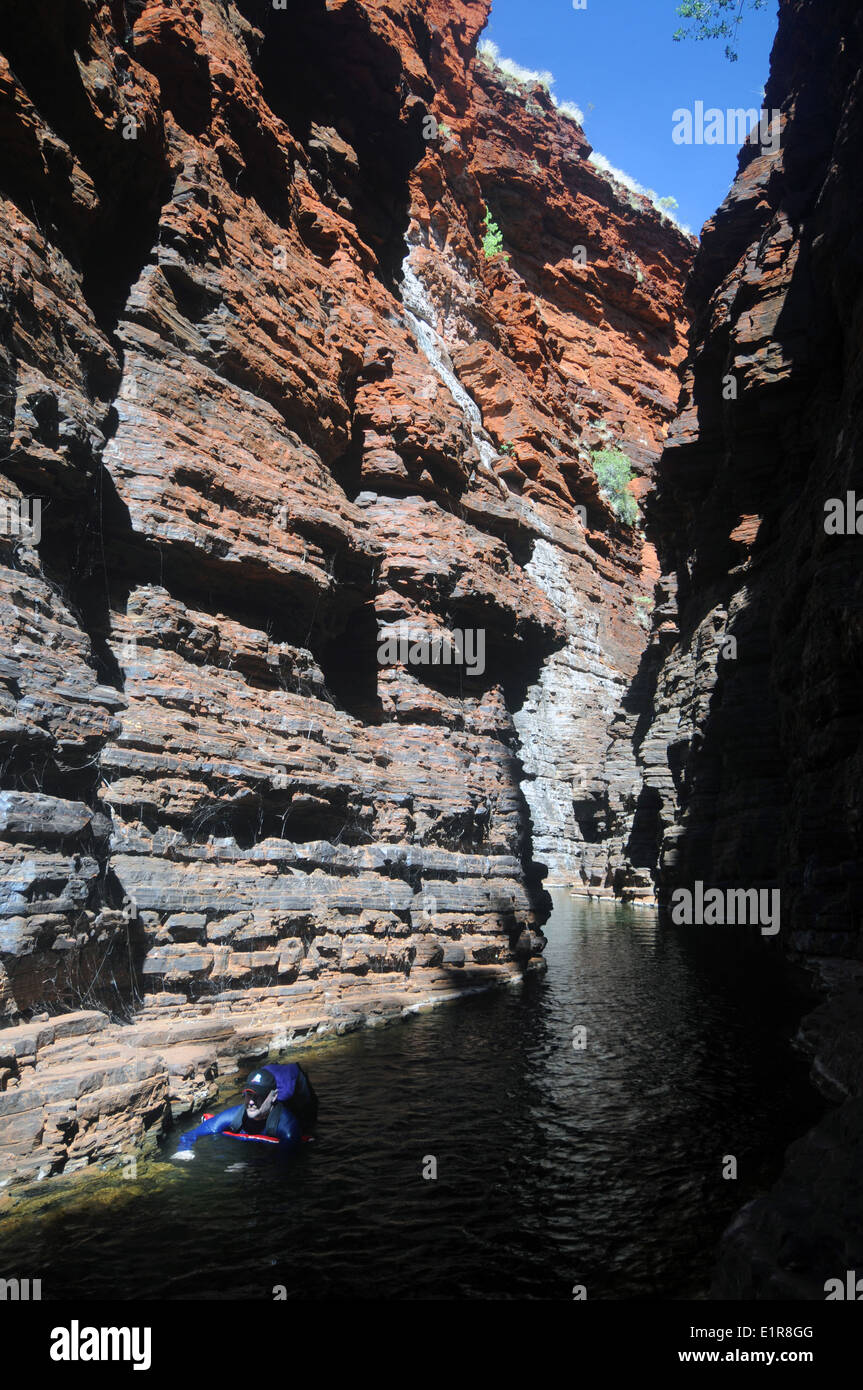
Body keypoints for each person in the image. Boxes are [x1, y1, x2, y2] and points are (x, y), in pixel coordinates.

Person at [171, 1063, 317, 1161]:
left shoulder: (287, 1127)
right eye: (249, 1095)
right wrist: (184, 1148)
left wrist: (248, 1165)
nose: (251, 1102)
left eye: (258, 1097)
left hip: (295, 1091)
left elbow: (281, 1164)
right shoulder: (234, 1115)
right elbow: (191, 1134)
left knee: (309, 1122)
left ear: (273, 1097)